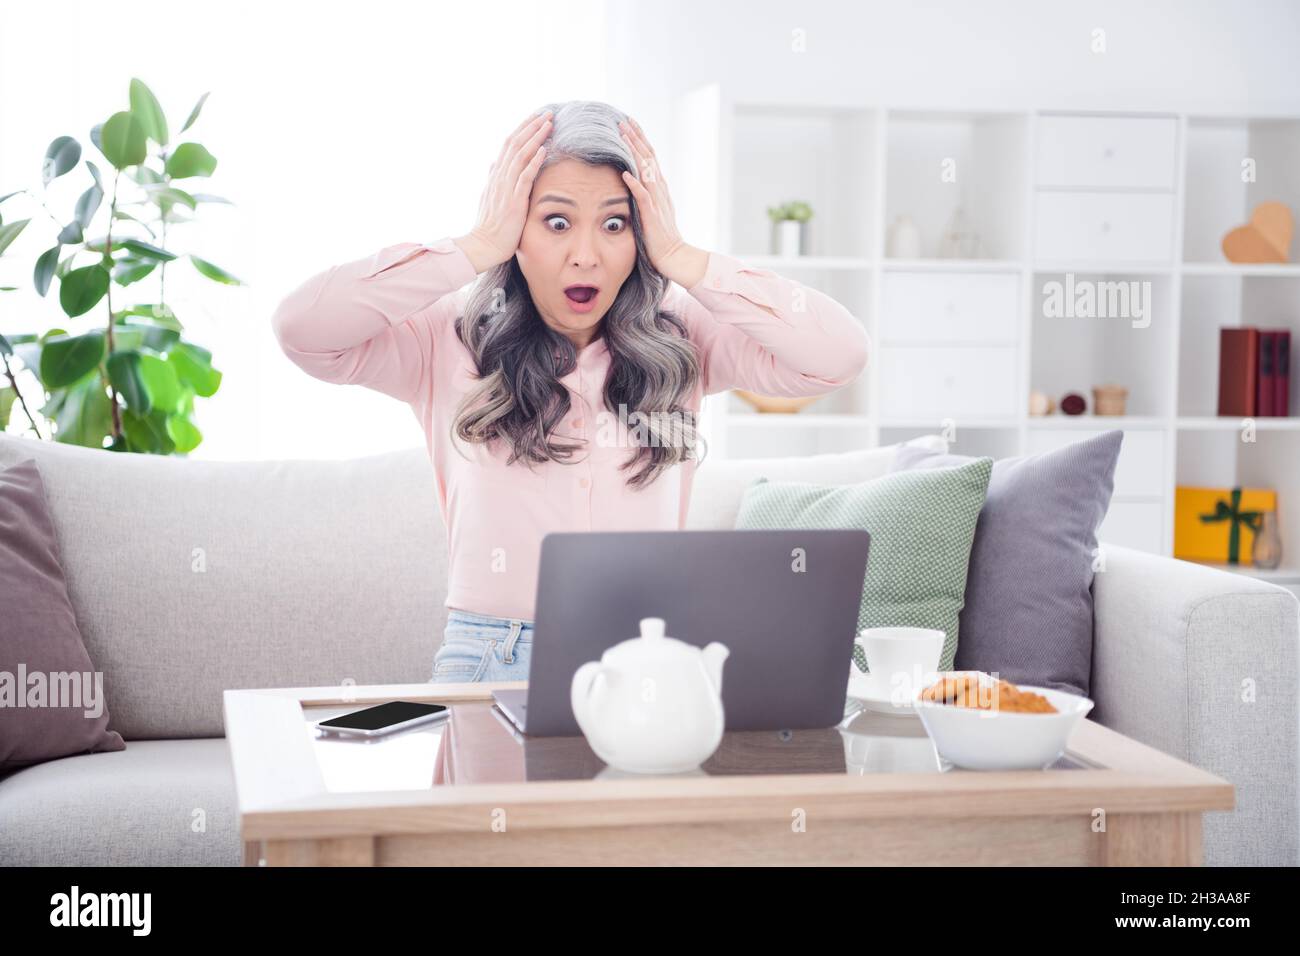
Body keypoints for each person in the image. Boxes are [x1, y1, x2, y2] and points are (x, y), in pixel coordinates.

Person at [270, 100, 870, 684]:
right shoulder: (445, 338)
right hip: (491, 656)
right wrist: (473, 248)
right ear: (517, 230)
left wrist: (687, 260)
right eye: (556, 222)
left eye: (615, 224)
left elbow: (837, 356)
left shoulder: (683, 335)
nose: (586, 255)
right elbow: (303, 330)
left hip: (647, 657)